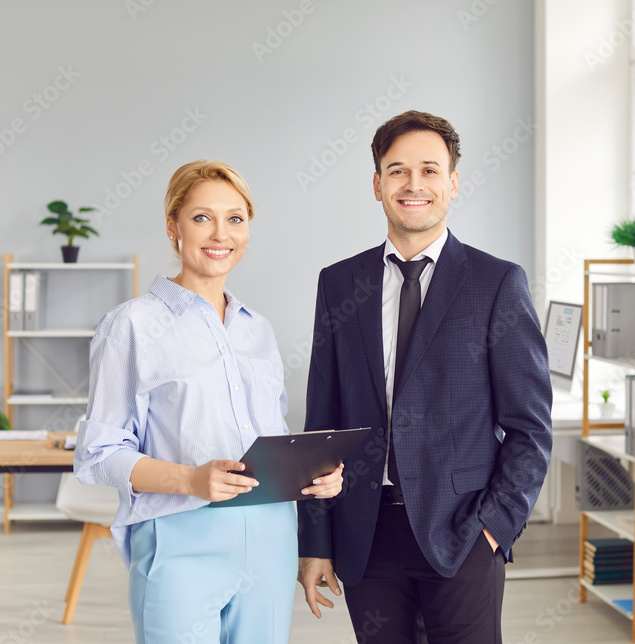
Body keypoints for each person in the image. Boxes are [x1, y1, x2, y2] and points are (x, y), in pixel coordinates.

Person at [296, 111, 553, 643]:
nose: (414, 185)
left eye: (430, 170)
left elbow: (530, 429)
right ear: (377, 185)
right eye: (397, 171)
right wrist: (315, 542)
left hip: (463, 533)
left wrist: (493, 528)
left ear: (453, 183)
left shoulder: (497, 283)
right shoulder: (340, 284)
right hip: (365, 534)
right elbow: (321, 423)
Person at [74, 159, 344, 644]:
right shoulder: (131, 325)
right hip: (179, 538)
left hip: (270, 539)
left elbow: (269, 437)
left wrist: (312, 476)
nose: (221, 233)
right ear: (173, 225)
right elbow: (99, 454)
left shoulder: (257, 329)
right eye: (202, 217)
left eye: (235, 219)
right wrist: (191, 479)